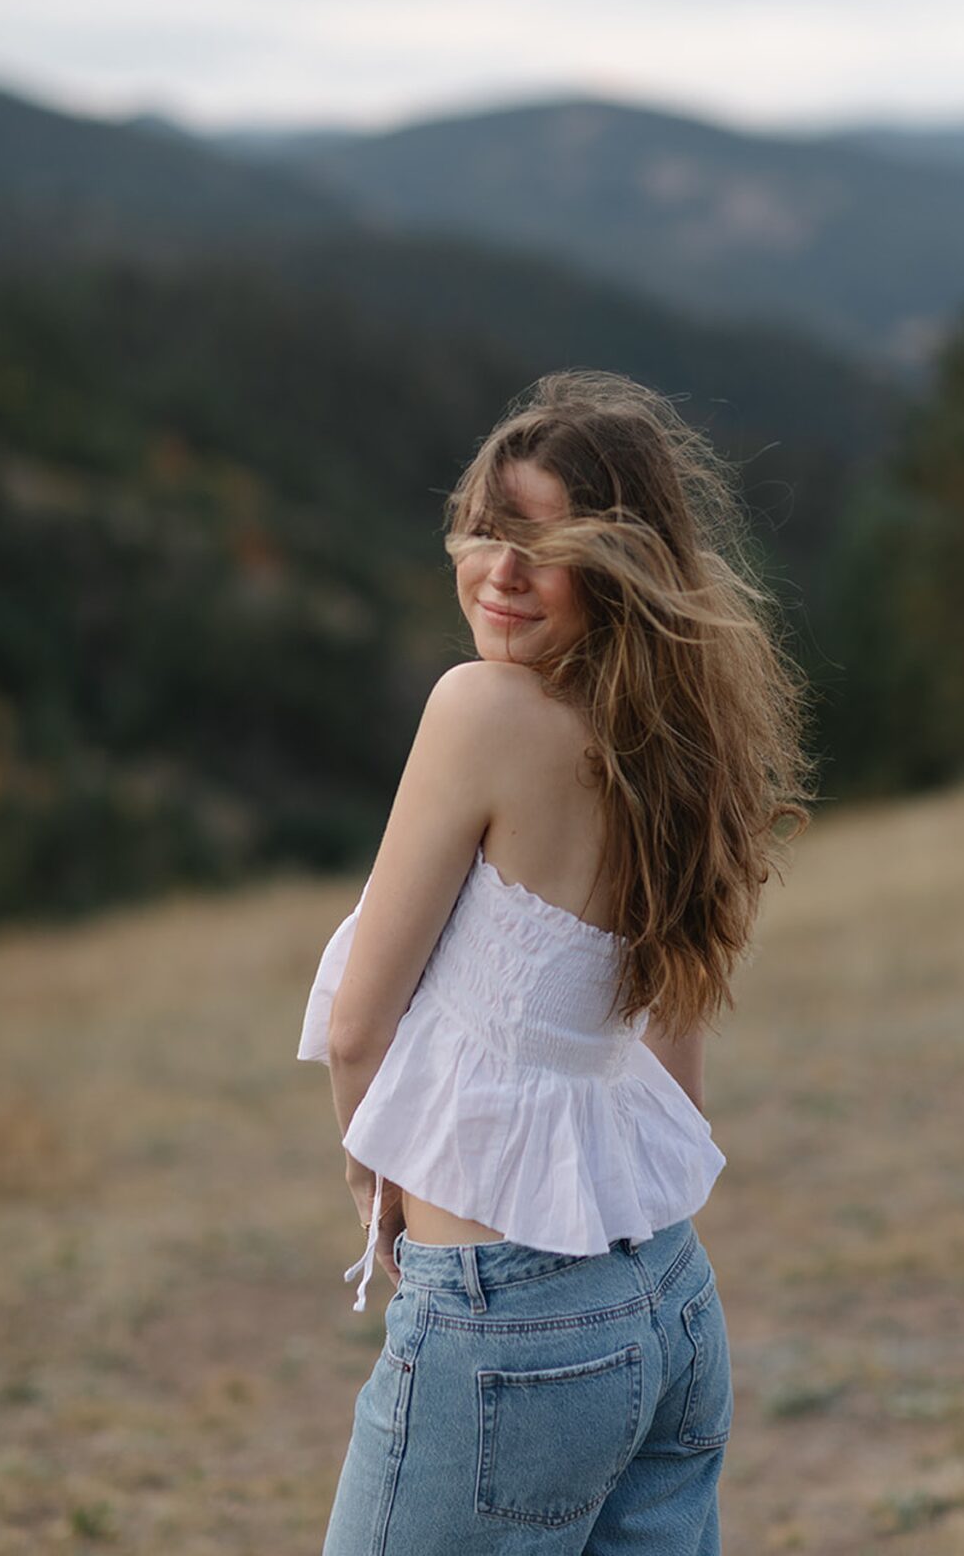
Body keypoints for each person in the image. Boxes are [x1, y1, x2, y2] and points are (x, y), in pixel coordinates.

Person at [298, 368, 816, 1554]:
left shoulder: (480, 708)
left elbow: (359, 1027)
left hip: (507, 1322)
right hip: (669, 1304)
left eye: (547, 541)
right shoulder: (678, 749)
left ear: (622, 565)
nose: (502, 570)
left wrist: (380, 1204)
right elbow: (672, 1042)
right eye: (487, 531)